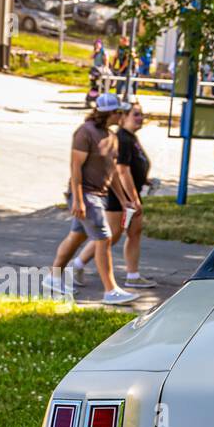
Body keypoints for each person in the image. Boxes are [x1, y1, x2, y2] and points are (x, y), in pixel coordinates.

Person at [43, 93, 137, 305]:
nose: (122, 116)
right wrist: (77, 199)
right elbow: (75, 166)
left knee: (77, 236)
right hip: (85, 194)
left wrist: (123, 200)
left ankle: (53, 277)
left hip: (99, 194)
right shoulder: (85, 132)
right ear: (110, 113)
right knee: (104, 238)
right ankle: (110, 290)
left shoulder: (111, 137)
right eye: (119, 112)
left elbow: (111, 170)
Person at [70, 101, 154, 288]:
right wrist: (132, 198)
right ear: (123, 118)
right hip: (119, 197)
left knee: (133, 232)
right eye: (136, 114)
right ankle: (77, 266)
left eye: (141, 114)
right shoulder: (122, 139)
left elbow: (132, 166)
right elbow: (121, 170)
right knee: (110, 234)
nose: (141, 118)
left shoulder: (129, 137)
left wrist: (144, 179)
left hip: (130, 195)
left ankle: (132, 275)